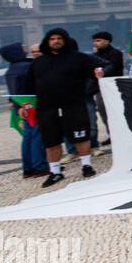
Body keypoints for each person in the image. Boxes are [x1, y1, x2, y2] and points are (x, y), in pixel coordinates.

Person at [27, 28, 108, 187]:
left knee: (81, 137)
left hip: (73, 105)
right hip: (47, 108)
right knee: (51, 141)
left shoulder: (78, 58)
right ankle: (55, 172)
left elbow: (102, 67)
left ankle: (86, 165)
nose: (56, 41)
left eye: (59, 38)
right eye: (52, 39)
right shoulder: (37, 63)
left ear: (65, 40)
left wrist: (100, 72)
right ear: (47, 42)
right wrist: (25, 105)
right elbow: (28, 86)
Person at [0, 42, 49, 178]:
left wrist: (18, 107)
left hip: (22, 106)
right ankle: (40, 166)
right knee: (37, 135)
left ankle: (28, 168)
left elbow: (14, 91)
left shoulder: (11, 69)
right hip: (34, 104)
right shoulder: (27, 66)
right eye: (21, 48)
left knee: (28, 136)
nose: (25, 49)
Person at [89, 30, 125, 144]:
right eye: (94, 41)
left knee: (117, 112)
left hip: (115, 87)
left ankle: (122, 134)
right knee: (103, 111)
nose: (96, 43)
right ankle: (112, 135)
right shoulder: (94, 56)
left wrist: (103, 72)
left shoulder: (116, 53)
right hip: (100, 88)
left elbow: (113, 67)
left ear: (107, 41)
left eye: (98, 40)